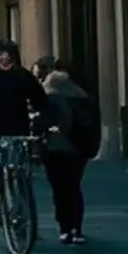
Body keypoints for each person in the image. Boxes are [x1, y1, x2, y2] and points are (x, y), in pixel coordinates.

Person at [41, 58, 97, 244]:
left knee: (59, 190)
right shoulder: (81, 96)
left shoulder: (50, 97)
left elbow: (44, 123)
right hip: (78, 149)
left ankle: (65, 228)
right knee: (74, 188)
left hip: (55, 149)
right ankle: (76, 228)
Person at [0, 40, 50, 179]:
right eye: (1, 54)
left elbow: (39, 98)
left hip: (17, 128)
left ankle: (16, 191)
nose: (5, 58)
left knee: (17, 168)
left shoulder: (22, 76)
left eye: (8, 55)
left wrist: (43, 117)